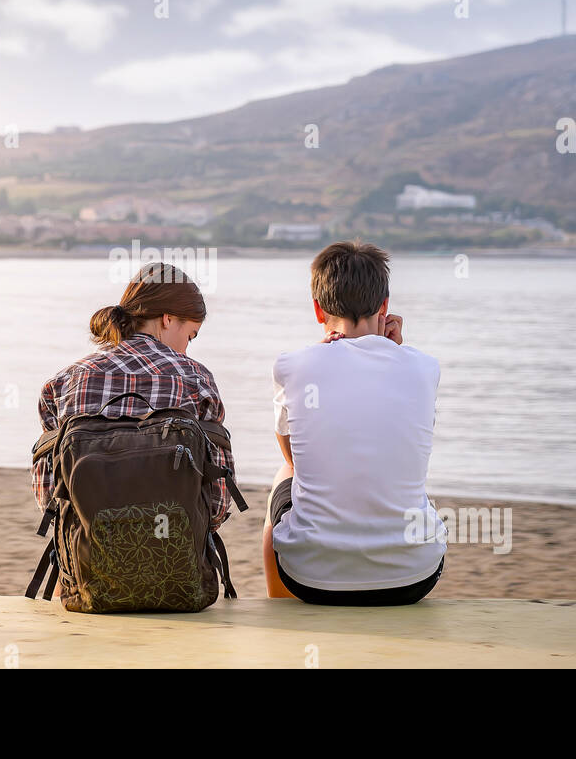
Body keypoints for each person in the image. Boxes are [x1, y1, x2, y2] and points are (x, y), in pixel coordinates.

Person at [263, 240, 447, 605]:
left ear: (318, 309)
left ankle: (279, 608)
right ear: (384, 307)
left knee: (284, 474)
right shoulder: (425, 367)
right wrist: (397, 351)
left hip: (309, 579)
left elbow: (293, 458)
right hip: (414, 577)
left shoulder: (292, 365)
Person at [34, 261, 235, 541]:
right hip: (175, 560)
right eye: (190, 335)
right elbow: (218, 501)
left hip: (86, 563)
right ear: (167, 318)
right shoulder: (196, 378)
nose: (187, 347)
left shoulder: (64, 381)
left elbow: (48, 497)